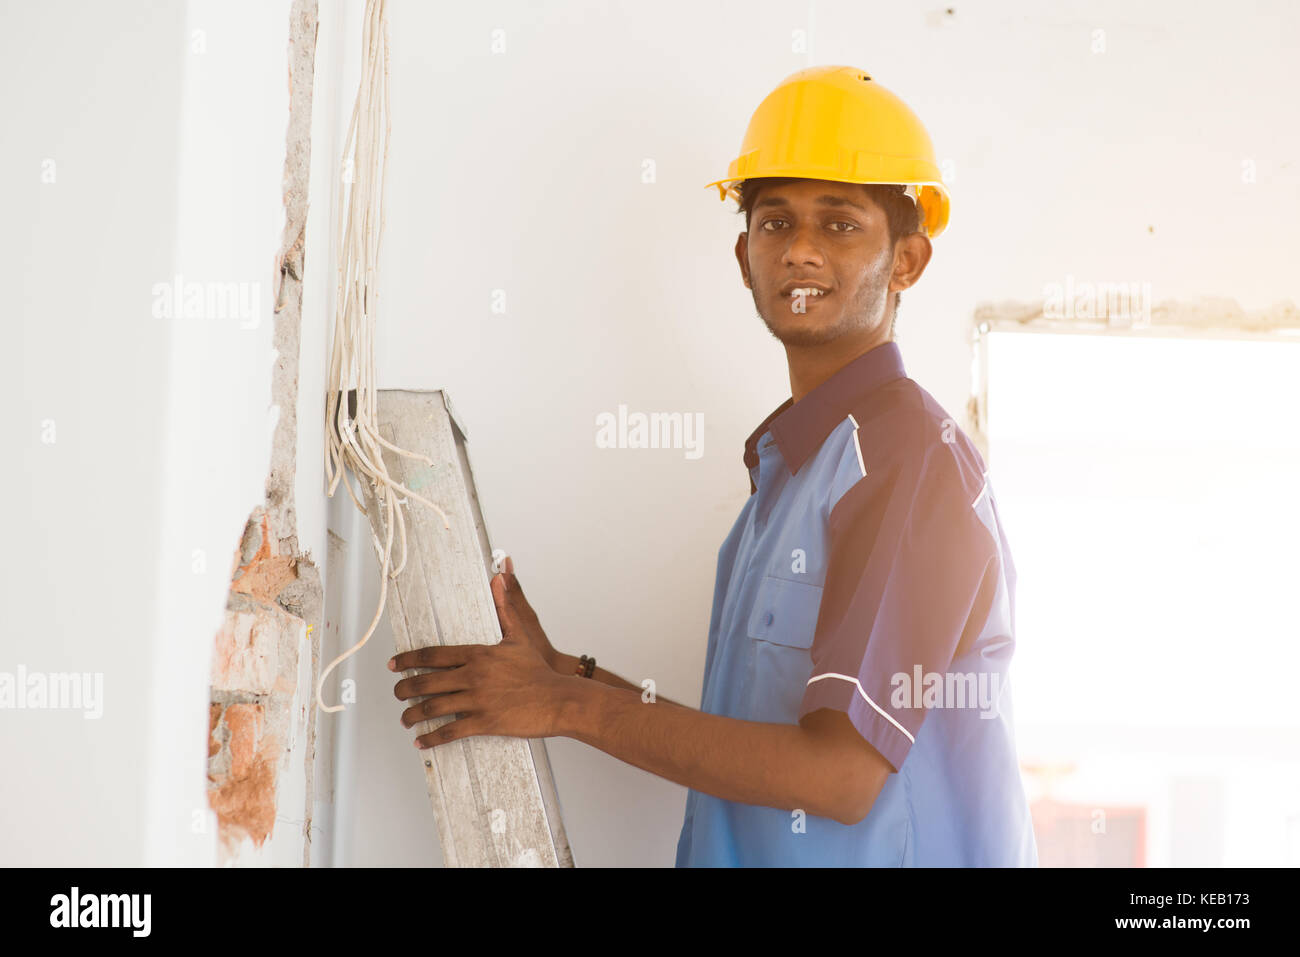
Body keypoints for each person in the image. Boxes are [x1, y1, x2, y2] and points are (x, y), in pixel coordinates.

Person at [389, 65, 1038, 866]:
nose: (800, 249)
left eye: (839, 224)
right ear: (743, 257)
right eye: (775, 223)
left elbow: (840, 776)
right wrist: (567, 675)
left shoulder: (906, 462)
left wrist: (563, 703)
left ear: (907, 261)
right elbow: (767, 745)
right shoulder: (790, 474)